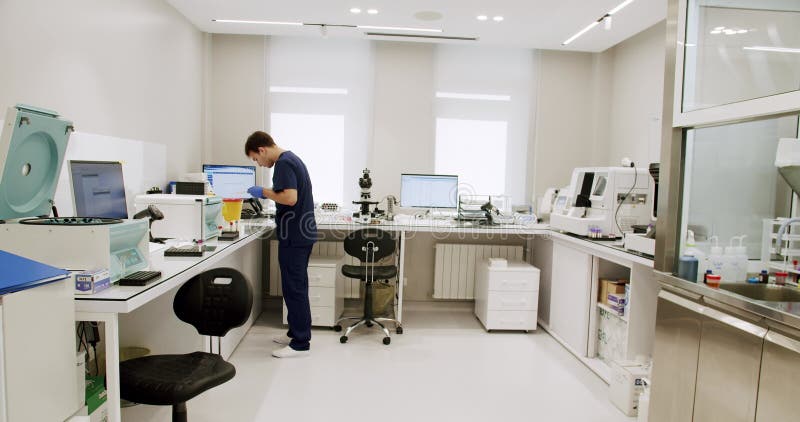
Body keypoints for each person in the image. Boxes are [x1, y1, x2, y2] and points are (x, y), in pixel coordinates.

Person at [245, 131, 317, 358]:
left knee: (294, 287)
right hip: (297, 233)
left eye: (256, 159)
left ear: (262, 150)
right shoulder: (290, 159)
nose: (259, 164)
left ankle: (300, 343)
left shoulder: (284, 163)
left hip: (295, 235)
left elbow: (289, 198)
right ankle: (294, 332)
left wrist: (263, 192)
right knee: (291, 285)